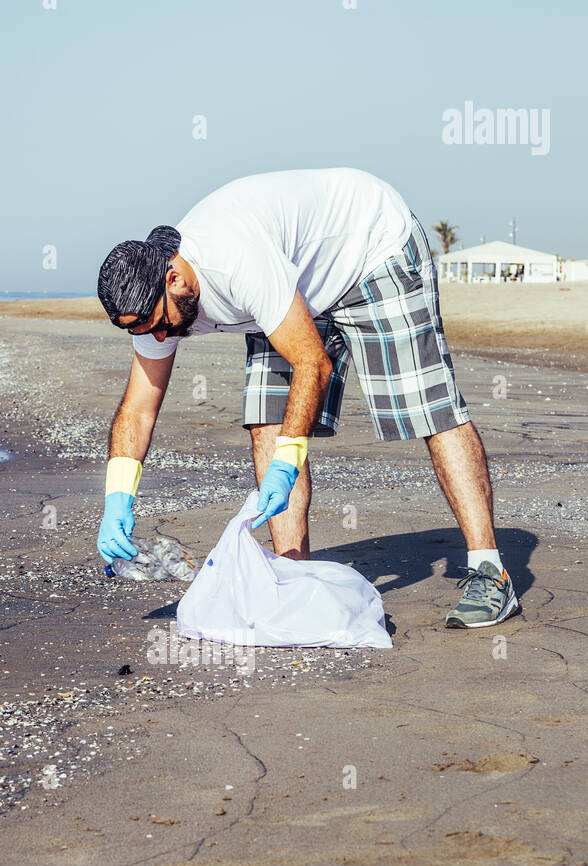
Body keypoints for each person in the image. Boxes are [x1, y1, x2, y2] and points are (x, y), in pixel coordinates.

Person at [96, 169, 519, 629]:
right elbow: (139, 408)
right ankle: (292, 579)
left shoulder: (235, 260)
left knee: (428, 407)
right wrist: (118, 496)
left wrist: (288, 460)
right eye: (143, 331)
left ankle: (489, 573)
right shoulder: (154, 302)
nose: (159, 337)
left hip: (372, 251)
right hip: (296, 287)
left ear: (175, 277)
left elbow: (312, 365)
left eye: (160, 324)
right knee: (268, 421)